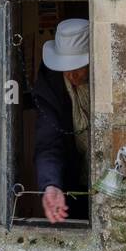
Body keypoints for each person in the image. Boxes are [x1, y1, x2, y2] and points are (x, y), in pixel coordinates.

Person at [32, 17, 90, 224]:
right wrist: (51, 184)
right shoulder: (51, 87)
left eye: (79, 67)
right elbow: (48, 143)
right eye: (66, 67)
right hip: (72, 178)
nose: (72, 74)